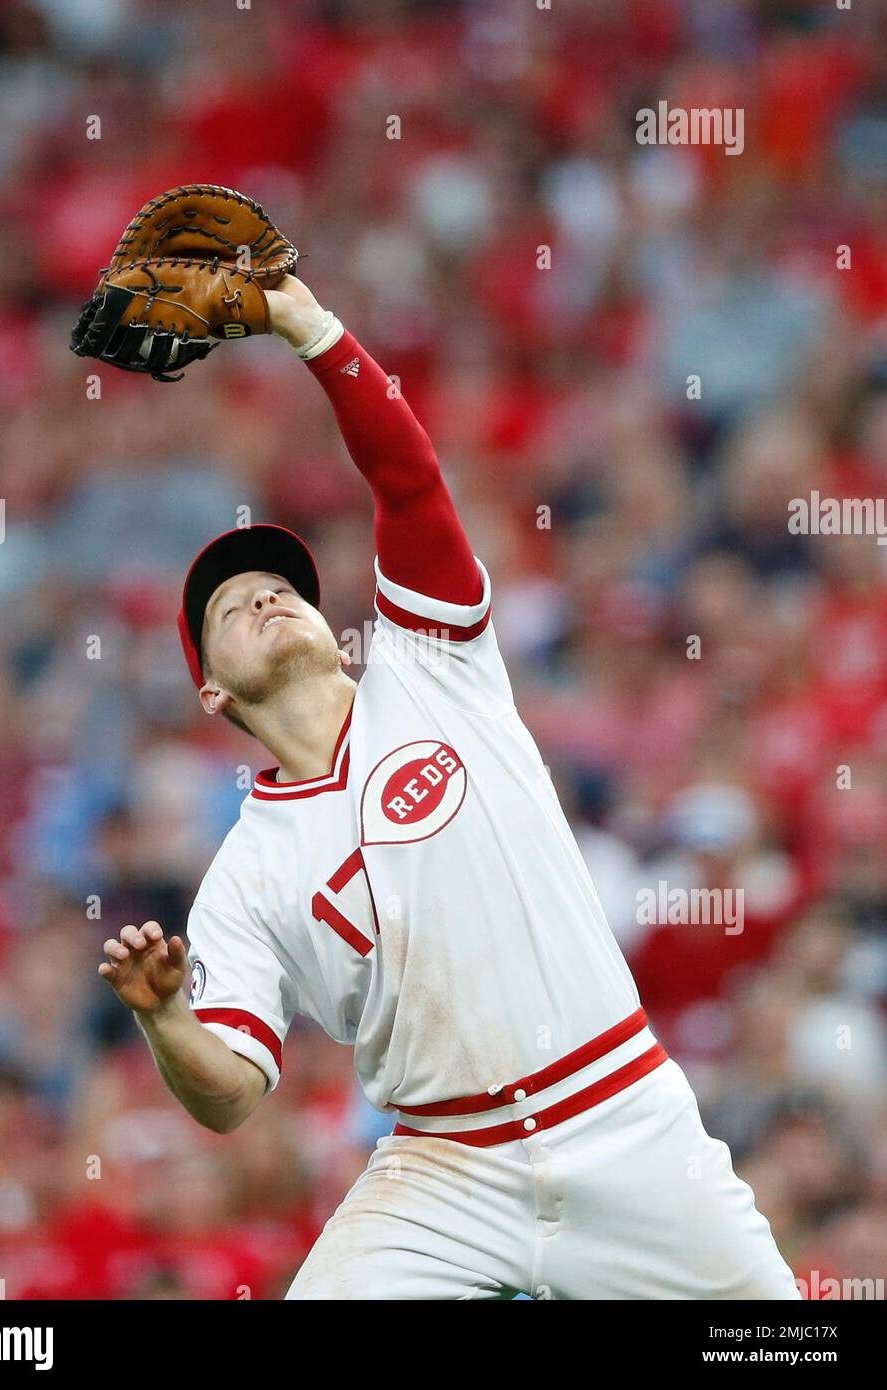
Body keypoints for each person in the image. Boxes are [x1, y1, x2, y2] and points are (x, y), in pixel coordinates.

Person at [99, 276, 800, 1300]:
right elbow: (230, 1095)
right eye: (231, 606)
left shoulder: (429, 666)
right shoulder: (242, 879)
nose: (265, 596)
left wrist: (312, 329)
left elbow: (408, 483)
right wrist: (163, 1020)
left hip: (622, 1117)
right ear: (209, 689)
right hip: (446, 1166)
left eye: (281, 586)